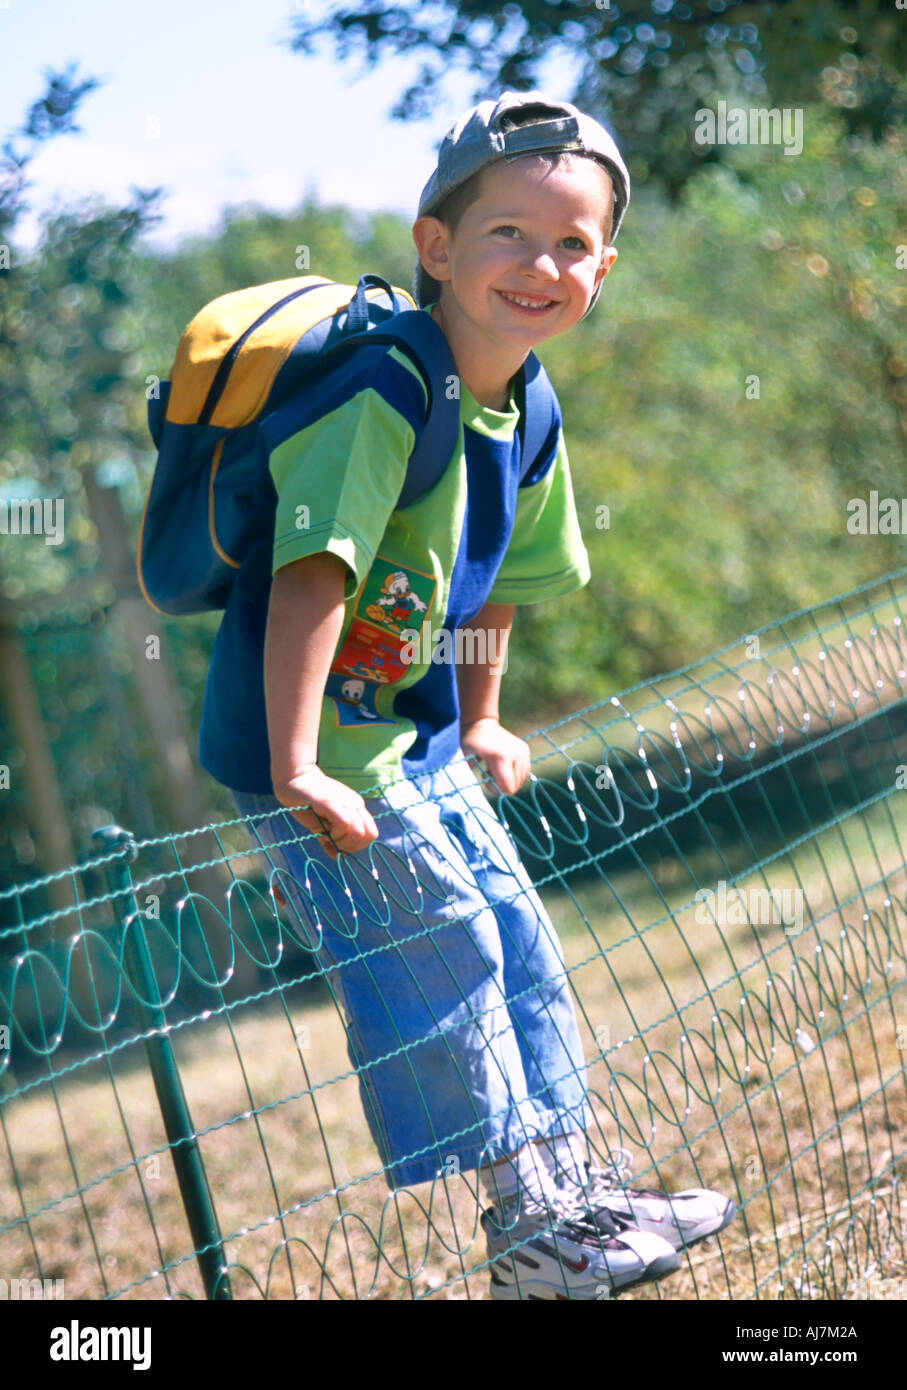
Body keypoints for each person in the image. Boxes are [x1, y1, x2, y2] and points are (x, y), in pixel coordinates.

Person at [204, 90, 735, 1299]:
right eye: (507, 234)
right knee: (442, 957)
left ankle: (573, 1197)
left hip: (420, 738)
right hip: (323, 750)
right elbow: (312, 575)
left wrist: (484, 714)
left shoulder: (529, 405)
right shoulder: (385, 389)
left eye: (571, 243)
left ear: (603, 267)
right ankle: (526, 1231)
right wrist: (298, 766)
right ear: (437, 247)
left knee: (518, 943)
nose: (539, 263)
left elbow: (495, 583)